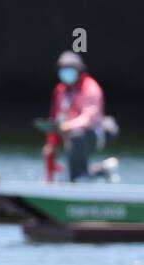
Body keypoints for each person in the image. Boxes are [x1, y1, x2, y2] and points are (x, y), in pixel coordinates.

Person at [44, 52, 116, 182]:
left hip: (92, 133)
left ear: (79, 70)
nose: (66, 72)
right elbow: (56, 116)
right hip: (69, 134)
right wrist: (51, 142)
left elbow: (89, 118)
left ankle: (81, 179)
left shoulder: (90, 87)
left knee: (77, 137)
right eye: (63, 69)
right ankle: (100, 170)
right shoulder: (60, 90)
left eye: (70, 69)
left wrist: (68, 126)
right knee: (68, 173)